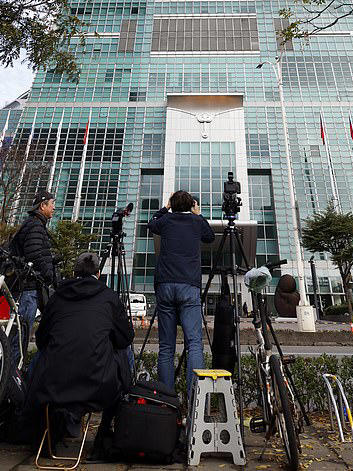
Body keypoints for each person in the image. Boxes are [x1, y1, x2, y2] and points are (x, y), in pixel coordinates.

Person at [26, 251, 134, 446]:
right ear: (99, 274)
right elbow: (126, 338)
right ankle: (106, 429)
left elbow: (41, 339)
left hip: (52, 385)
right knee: (125, 352)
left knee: (42, 356)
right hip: (98, 386)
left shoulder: (58, 296)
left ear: (74, 272)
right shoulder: (109, 297)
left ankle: (40, 421)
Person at [148, 190, 215, 397]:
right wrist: (198, 214)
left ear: (172, 205)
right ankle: (194, 398)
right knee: (194, 342)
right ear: (190, 205)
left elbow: (151, 223)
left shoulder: (166, 220)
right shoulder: (196, 222)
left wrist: (165, 207)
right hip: (189, 286)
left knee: (166, 346)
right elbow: (210, 237)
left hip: (165, 285)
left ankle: (167, 401)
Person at [14, 190, 58, 347]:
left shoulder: (35, 224)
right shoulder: (35, 225)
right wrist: (48, 272)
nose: (54, 208)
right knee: (21, 335)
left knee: (24, 331)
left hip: (32, 286)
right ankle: (12, 369)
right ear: (43, 205)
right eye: (52, 204)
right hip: (29, 287)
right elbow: (34, 253)